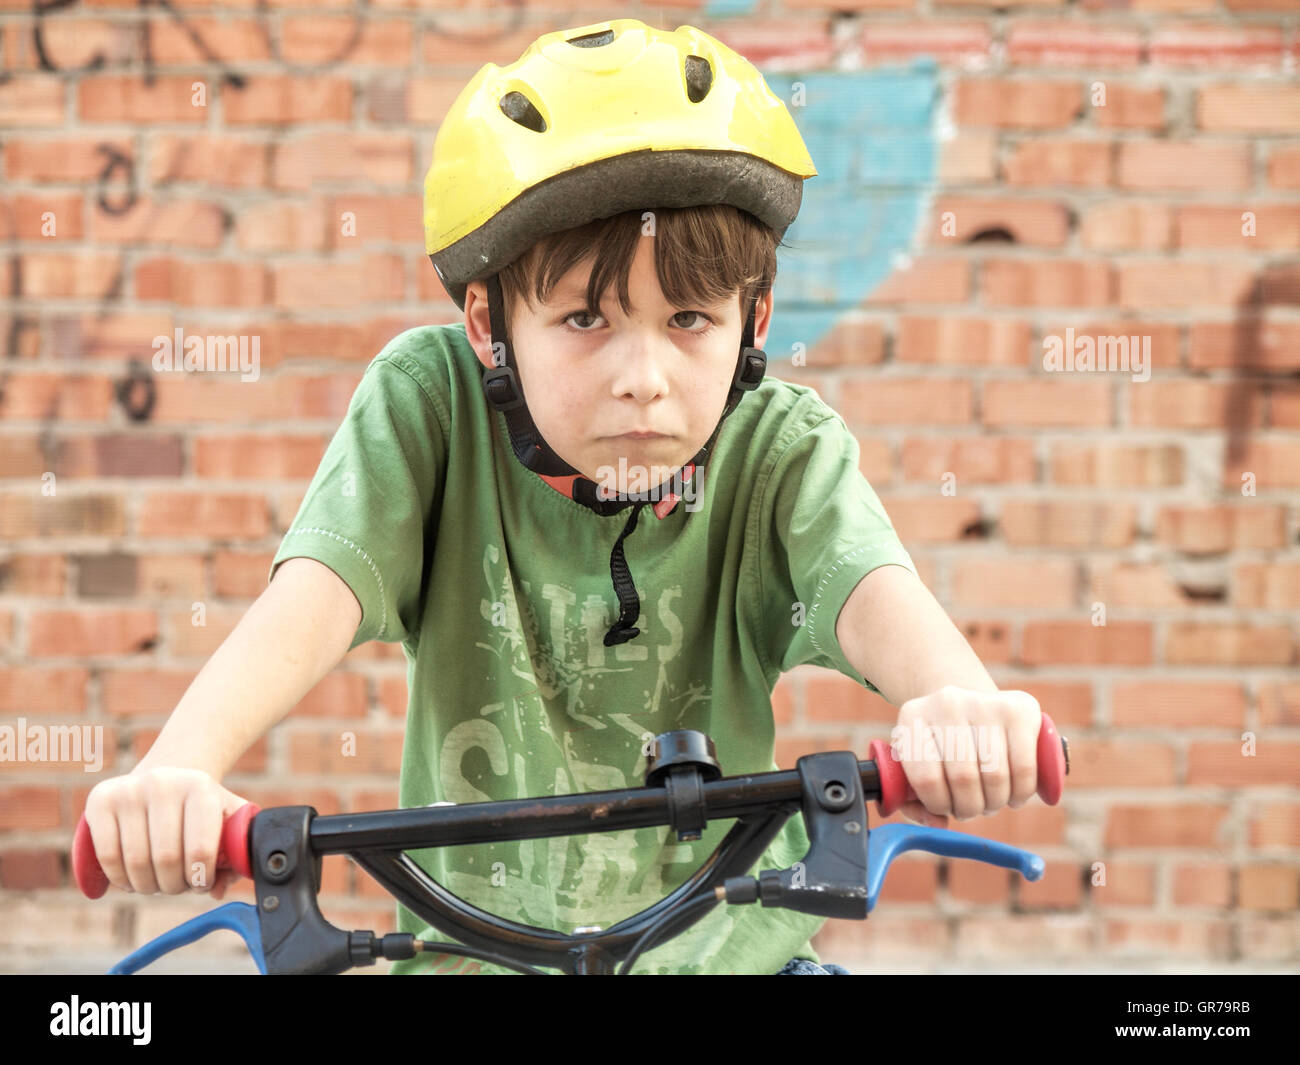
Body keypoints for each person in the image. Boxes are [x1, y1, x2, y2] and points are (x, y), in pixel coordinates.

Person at [79, 18, 1045, 976]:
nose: (644, 377)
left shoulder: (778, 452)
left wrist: (958, 707)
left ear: (754, 322)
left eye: (690, 319)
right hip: (468, 957)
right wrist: (179, 771)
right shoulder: (432, 409)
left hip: (735, 953)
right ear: (489, 329)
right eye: (585, 315)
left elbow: (872, 590)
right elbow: (313, 596)